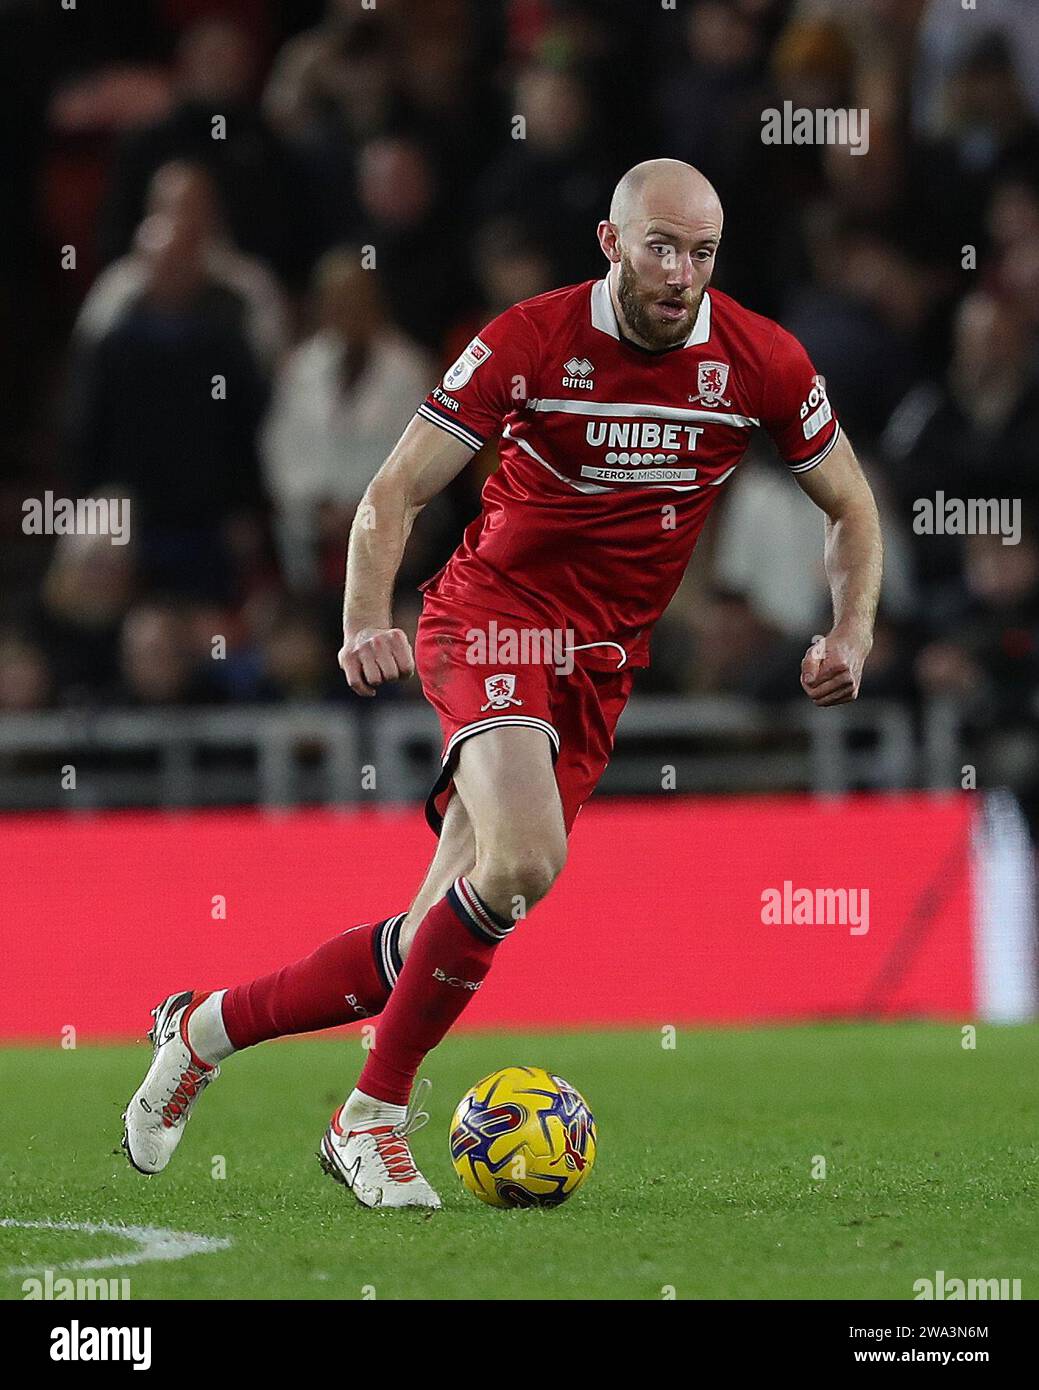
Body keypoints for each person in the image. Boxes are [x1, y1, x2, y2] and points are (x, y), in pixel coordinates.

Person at [122, 159, 883, 1209]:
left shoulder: (760, 361)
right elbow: (393, 492)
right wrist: (359, 619)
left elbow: (852, 506)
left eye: (702, 253)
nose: (682, 272)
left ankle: (200, 1027)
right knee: (527, 857)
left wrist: (850, 626)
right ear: (611, 244)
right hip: (492, 622)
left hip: (597, 674)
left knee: (423, 945)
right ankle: (370, 1118)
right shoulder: (529, 340)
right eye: (660, 246)